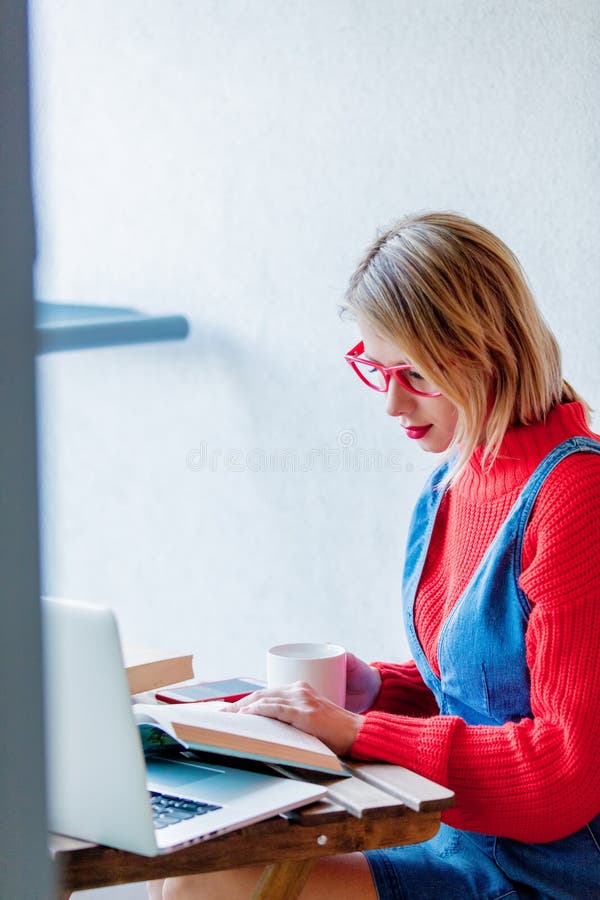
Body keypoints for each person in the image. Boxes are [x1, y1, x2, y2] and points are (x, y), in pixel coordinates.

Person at [150, 212, 600, 899]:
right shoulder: (454, 482)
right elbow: (485, 696)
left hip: (551, 879)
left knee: (207, 889)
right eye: (374, 367)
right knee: (197, 874)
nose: (390, 403)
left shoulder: (579, 497)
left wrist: (357, 731)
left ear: (485, 351)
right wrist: (374, 692)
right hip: (457, 852)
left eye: (412, 373)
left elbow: (562, 778)